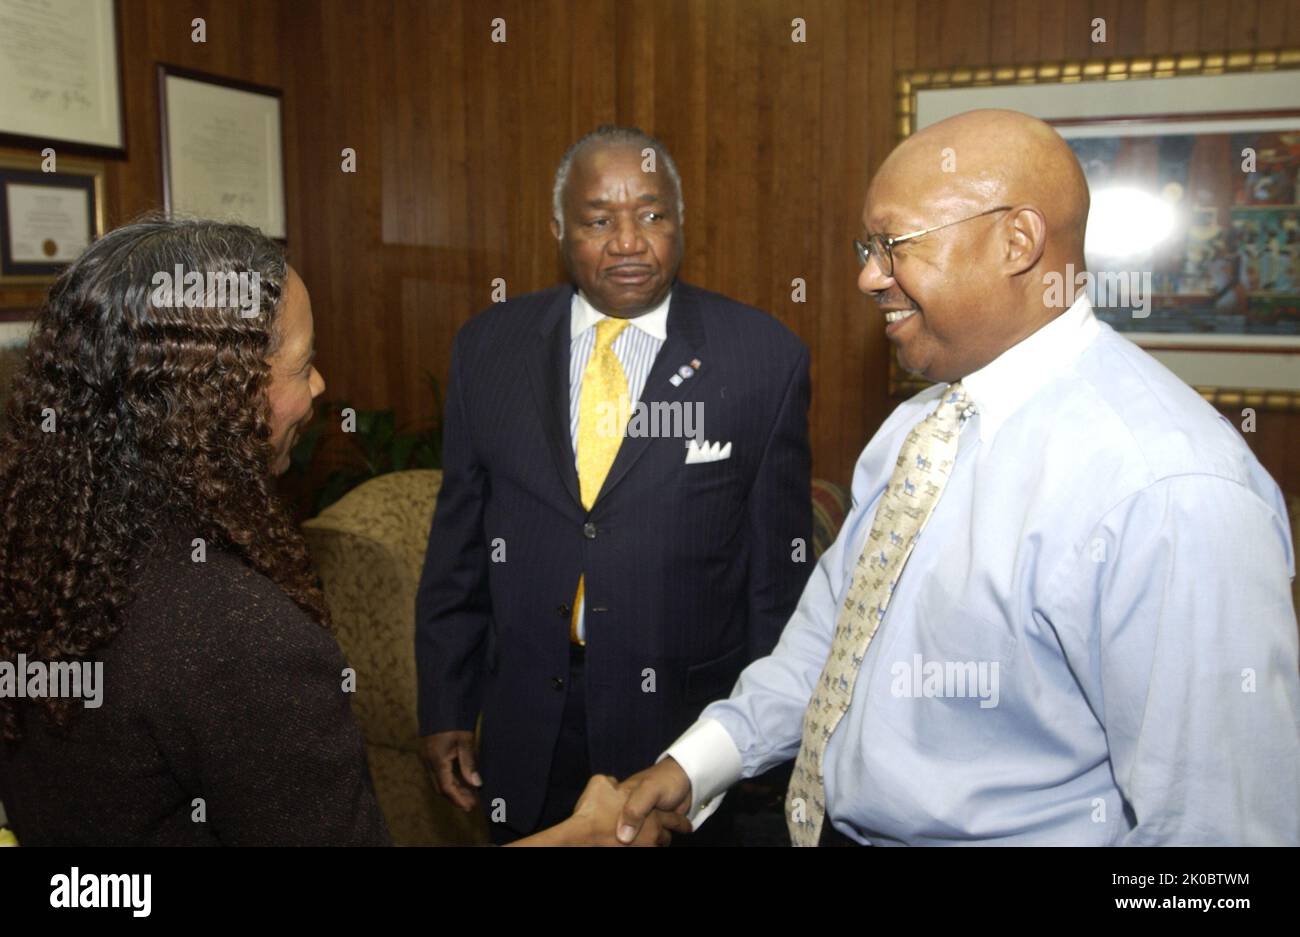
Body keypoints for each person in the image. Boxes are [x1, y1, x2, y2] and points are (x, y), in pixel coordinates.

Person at [616, 109, 1300, 846]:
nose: (867, 275)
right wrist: (695, 763)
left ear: (1018, 242)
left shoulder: (1169, 489)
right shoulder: (916, 431)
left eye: (894, 245)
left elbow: (1219, 837)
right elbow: (827, 647)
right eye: (866, 246)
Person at [0, 217, 680, 847]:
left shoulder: (42, 564)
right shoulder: (241, 639)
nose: (321, 385)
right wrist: (582, 836)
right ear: (217, 395)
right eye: (302, 365)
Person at [416, 126, 813, 843]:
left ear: (680, 222)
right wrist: (446, 702)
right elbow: (460, 547)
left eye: (652, 216)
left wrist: (756, 749)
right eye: (600, 220)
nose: (629, 242)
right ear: (559, 230)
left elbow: (774, 585)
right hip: (529, 720)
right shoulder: (487, 348)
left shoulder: (762, 359)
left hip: (684, 729)